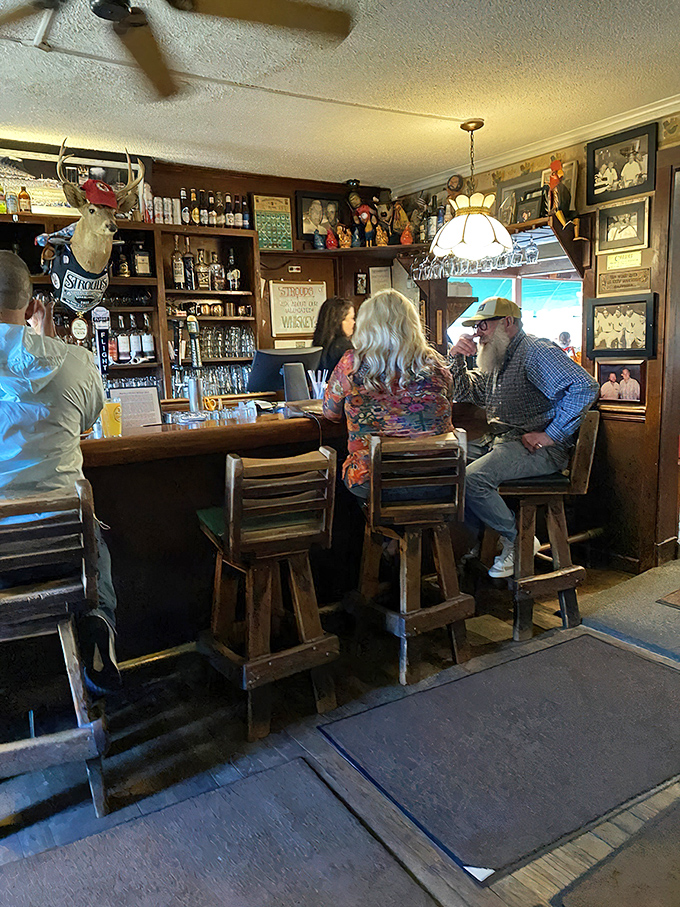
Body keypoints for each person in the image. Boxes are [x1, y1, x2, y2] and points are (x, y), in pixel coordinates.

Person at [0, 251, 120, 694]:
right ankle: (97, 619)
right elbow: (89, 416)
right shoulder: (76, 360)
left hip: (2, 555)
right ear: (32, 307)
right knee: (93, 537)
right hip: (65, 542)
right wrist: (51, 343)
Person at [449, 296, 599, 578]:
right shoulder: (498, 354)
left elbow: (585, 387)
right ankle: (475, 544)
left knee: (472, 479)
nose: (477, 332)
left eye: (484, 325)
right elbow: (464, 393)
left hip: (539, 450)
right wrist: (456, 359)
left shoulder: (534, 350)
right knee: (449, 464)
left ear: (508, 322)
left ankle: (517, 541)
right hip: (503, 443)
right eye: (477, 326)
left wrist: (551, 435)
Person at [323, 289, 453, 497]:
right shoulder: (436, 364)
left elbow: (330, 413)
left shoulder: (351, 364)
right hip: (440, 478)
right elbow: (448, 405)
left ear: (367, 326)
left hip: (375, 480)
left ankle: (377, 527)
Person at [312, 296, 355, 375]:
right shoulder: (343, 346)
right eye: (351, 318)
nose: (354, 322)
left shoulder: (319, 342)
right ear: (338, 321)